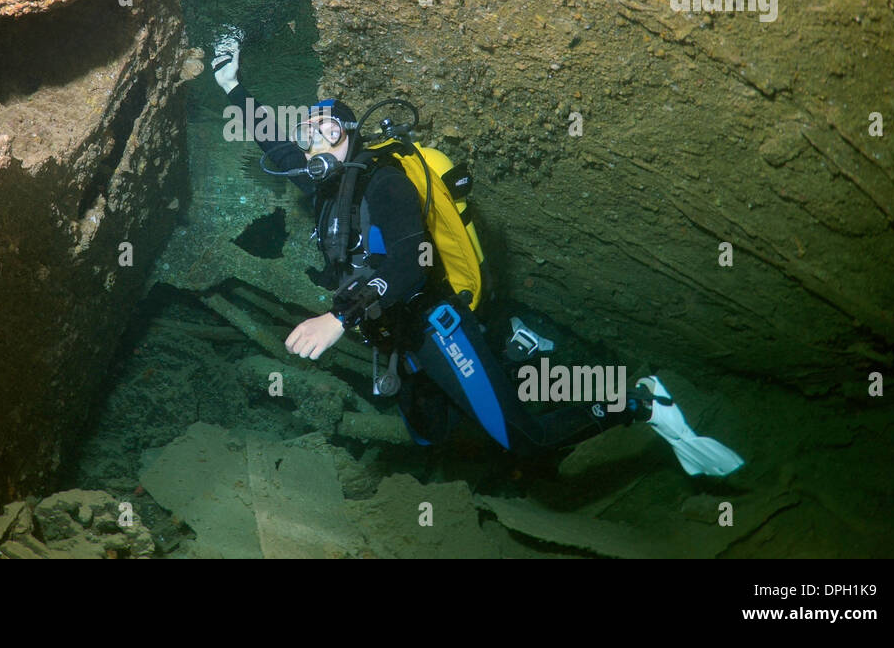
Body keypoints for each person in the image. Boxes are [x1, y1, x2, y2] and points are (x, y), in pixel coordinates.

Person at [212, 36, 744, 475]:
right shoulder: (323, 190)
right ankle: (507, 346)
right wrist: (232, 86)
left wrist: (338, 317)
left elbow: (412, 258)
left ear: (351, 137)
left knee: (525, 440)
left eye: (329, 130)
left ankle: (640, 402)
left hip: (433, 323)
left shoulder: (384, 182)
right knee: (430, 437)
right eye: (310, 133)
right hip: (397, 338)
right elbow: (272, 144)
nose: (316, 143)